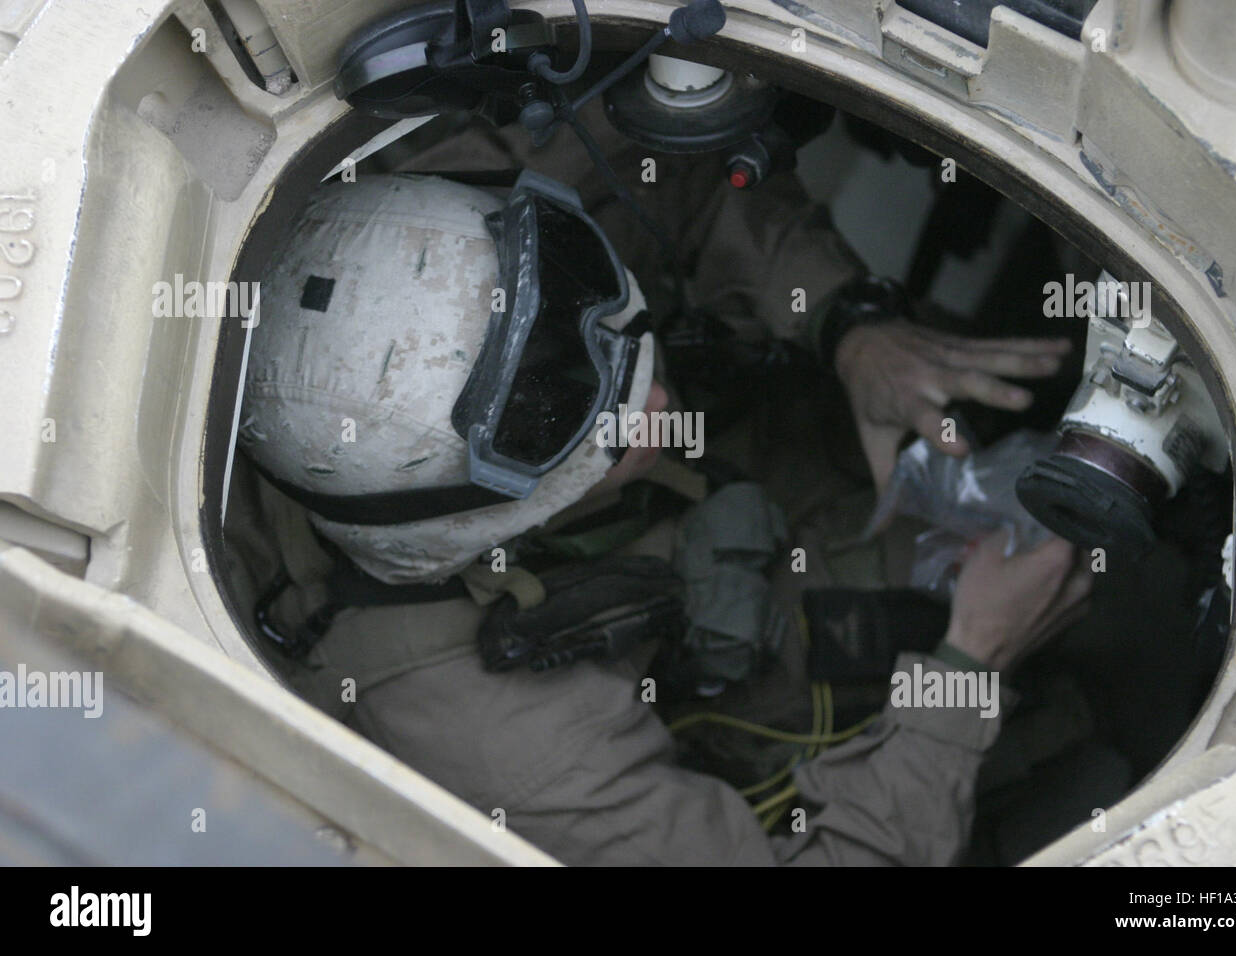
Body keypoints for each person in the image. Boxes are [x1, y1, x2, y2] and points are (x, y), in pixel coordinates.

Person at [236, 160, 1090, 864]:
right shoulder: (515, 752)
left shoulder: (435, 221)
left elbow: (671, 179)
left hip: (765, 466)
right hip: (760, 635)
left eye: (580, 311)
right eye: (561, 415)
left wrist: (846, 322)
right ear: (465, 528)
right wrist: (970, 665)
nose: (648, 404)